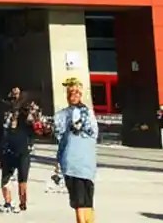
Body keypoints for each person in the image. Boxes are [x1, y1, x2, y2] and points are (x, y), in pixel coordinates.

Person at [54, 78, 98, 223]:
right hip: (87, 164)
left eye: (74, 93)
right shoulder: (89, 113)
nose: (72, 96)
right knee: (87, 202)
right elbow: (94, 134)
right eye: (71, 93)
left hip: (73, 163)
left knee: (80, 203)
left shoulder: (63, 115)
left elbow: (60, 138)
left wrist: (58, 162)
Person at [0, 100, 36, 214]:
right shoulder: (6, 120)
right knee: (7, 179)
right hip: (10, 152)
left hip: (21, 153)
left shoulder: (25, 121)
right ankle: (8, 202)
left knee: (22, 179)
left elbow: (33, 130)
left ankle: (22, 203)